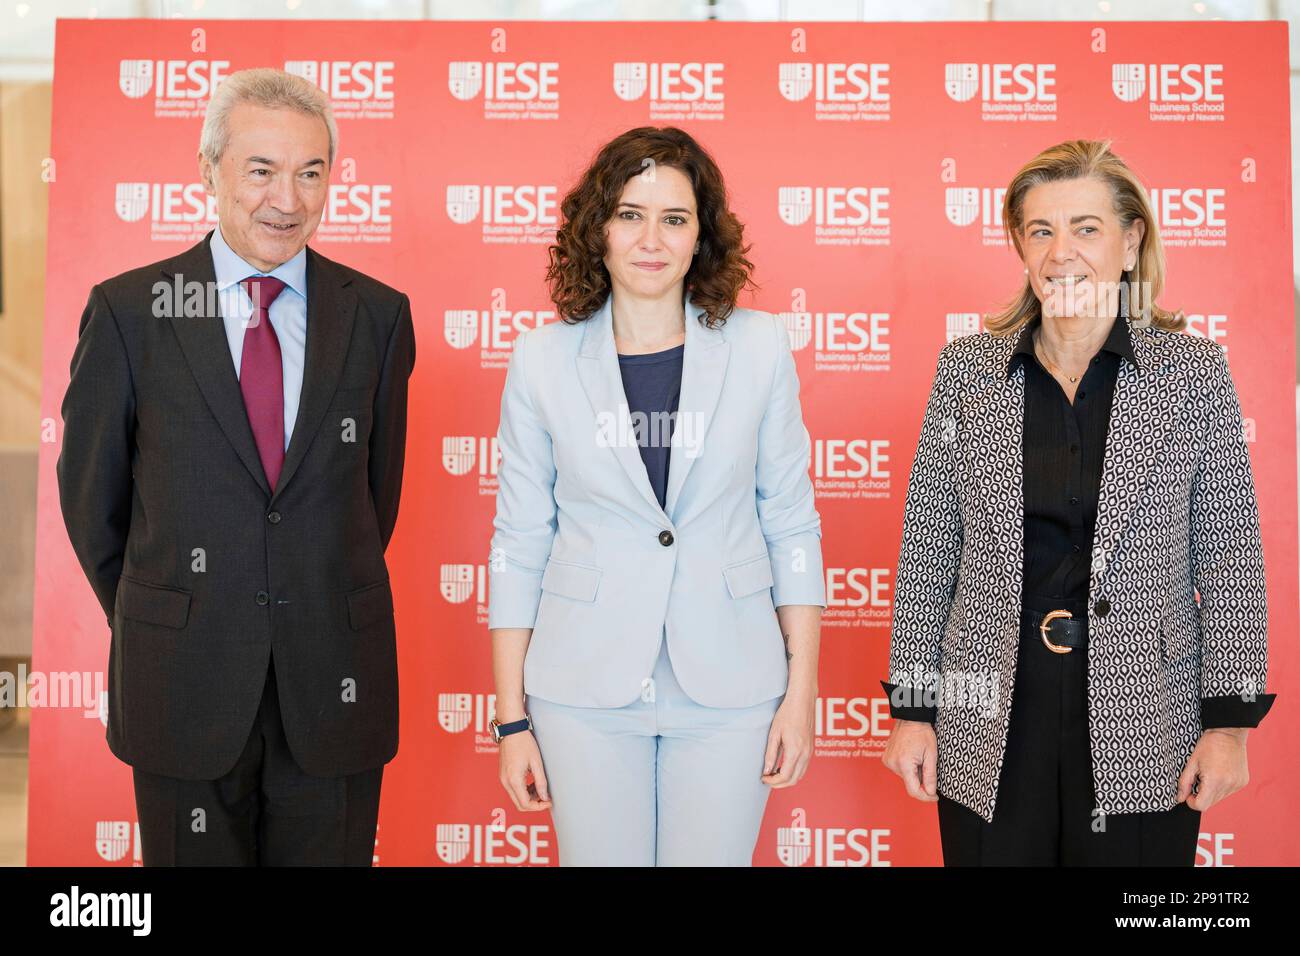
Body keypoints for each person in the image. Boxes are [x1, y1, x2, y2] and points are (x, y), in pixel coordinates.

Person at [882, 139, 1276, 866]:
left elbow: (1229, 556)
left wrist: (1229, 725)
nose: (1063, 253)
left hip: (1144, 716)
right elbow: (931, 548)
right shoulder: (966, 370)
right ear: (1021, 248)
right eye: (1042, 231)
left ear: (1131, 242)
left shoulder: (1192, 372)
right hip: (989, 711)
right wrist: (912, 709)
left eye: (1087, 228)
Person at [57, 68, 416, 865]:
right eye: (261, 170)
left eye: (310, 172)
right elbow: (95, 504)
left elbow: (373, 498)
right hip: (182, 679)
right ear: (210, 169)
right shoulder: (131, 311)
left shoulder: (378, 316)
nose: (287, 198)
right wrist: (174, 611)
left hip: (333, 682)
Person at [487, 126, 825, 866]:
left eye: (674, 218)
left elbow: (791, 522)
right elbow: (519, 540)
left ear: (701, 237)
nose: (651, 239)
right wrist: (512, 721)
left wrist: (800, 697)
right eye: (630, 214)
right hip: (582, 690)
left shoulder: (761, 347)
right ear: (597, 229)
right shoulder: (542, 360)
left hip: (731, 688)